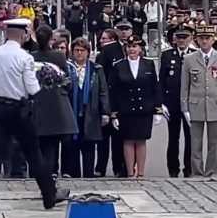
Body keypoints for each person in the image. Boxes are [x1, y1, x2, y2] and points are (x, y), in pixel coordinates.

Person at [0, 19, 67, 214]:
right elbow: (32, 89)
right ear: (24, 33)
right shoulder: (24, 57)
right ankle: (49, 195)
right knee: (33, 152)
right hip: (19, 108)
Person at [180, 25, 217, 178]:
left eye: (207, 38)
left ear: (213, 39)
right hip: (196, 104)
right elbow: (185, 85)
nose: (204, 41)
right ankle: (197, 172)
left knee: (214, 143)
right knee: (195, 143)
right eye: (201, 38)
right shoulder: (189, 59)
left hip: (215, 104)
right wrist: (185, 108)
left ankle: (211, 171)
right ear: (197, 40)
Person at [109, 35, 163, 178]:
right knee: (127, 140)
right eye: (129, 47)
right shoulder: (119, 66)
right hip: (126, 109)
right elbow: (113, 91)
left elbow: (155, 87)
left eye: (135, 47)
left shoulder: (148, 64)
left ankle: (140, 172)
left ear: (140, 49)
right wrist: (113, 113)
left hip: (144, 108)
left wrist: (158, 110)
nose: (132, 49)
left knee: (141, 140)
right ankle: (130, 172)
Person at [31, 25, 77, 178]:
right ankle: (50, 177)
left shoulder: (31, 57)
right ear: (51, 39)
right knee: (52, 146)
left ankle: (41, 175)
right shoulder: (59, 57)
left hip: (37, 105)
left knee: (40, 146)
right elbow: (67, 82)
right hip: (57, 106)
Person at [64, 37, 110, 178]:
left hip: (91, 111)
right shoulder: (67, 68)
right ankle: (74, 173)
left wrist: (105, 112)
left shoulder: (96, 69)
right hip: (72, 111)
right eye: (76, 50)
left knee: (89, 144)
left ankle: (89, 174)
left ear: (88, 52)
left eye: (82, 50)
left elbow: (103, 91)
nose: (79, 53)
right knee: (73, 144)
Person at [160, 26, 195, 178]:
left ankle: (189, 168)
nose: (181, 40)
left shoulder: (195, 55)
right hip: (172, 103)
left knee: (191, 138)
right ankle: (173, 169)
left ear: (190, 38)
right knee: (173, 138)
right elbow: (162, 80)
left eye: (184, 37)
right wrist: (161, 103)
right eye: (179, 37)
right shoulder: (167, 55)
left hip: (191, 103)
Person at [94, 28, 126, 177]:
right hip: (115, 100)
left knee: (107, 139)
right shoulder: (120, 52)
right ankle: (117, 168)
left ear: (112, 39)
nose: (101, 41)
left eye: (104, 39)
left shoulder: (105, 54)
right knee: (112, 138)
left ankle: (102, 168)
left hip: (109, 99)